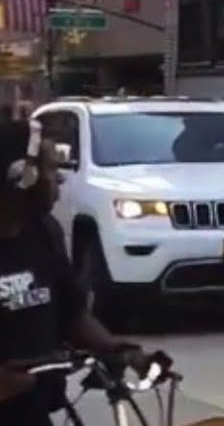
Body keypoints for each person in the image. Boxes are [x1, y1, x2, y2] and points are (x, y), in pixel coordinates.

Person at [0, 119, 170, 425]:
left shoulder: (43, 232)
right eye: (52, 170)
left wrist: (123, 351)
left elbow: (71, 313)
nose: (61, 180)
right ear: (21, 178)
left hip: (31, 409)